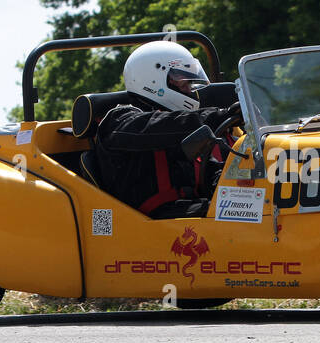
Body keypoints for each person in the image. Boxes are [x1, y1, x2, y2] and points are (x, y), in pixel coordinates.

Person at [90, 40, 241, 218]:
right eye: (183, 84)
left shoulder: (171, 127)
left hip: (180, 215)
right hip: (139, 224)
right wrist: (218, 116)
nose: (190, 91)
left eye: (190, 85)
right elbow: (161, 127)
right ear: (154, 80)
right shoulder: (119, 122)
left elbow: (206, 170)